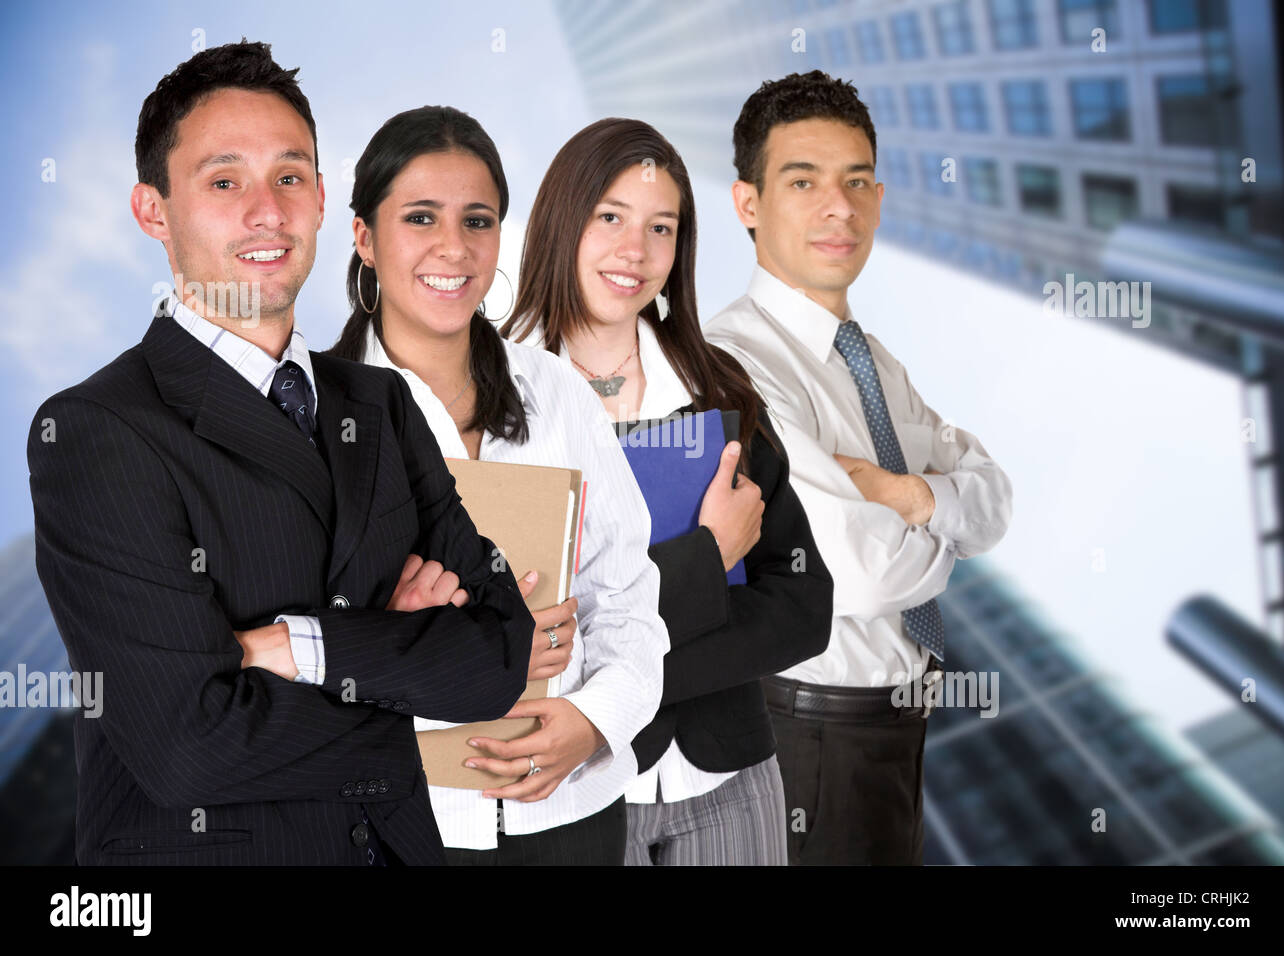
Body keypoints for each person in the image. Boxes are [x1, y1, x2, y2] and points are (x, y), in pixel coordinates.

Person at [26, 41, 534, 866]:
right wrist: (398, 675)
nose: (267, 211)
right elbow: (186, 746)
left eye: (290, 177)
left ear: (325, 199)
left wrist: (296, 649)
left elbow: (495, 662)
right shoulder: (98, 430)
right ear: (153, 210)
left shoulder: (379, 402)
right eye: (224, 181)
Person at [328, 106, 669, 865]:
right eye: (420, 217)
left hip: (570, 814)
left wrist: (593, 720)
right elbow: (286, 648)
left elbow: (628, 598)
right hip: (401, 822)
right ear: (363, 237)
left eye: (477, 221)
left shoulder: (559, 391)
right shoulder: (313, 417)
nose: (454, 247)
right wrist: (418, 641)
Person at [501, 118, 834, 865]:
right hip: (581, 785)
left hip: (732, 781)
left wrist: (616, 678)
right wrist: (708, 560)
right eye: (610, 217)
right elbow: (518, 631)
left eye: (663, 227)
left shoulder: (719, 392)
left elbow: (803, 608)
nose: (636, 251)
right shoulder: (497, 400)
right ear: (562, 221)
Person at [704, 70, 1013, 865]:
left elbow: (995, 499)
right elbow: (860, 576)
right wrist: (939, 518)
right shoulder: (736, 362)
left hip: (894, 731)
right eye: (802, 182)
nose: (839, 207)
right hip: (807, 737)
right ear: (748, 204)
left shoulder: (873, 361)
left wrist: (903, 493)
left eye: (856, 182)